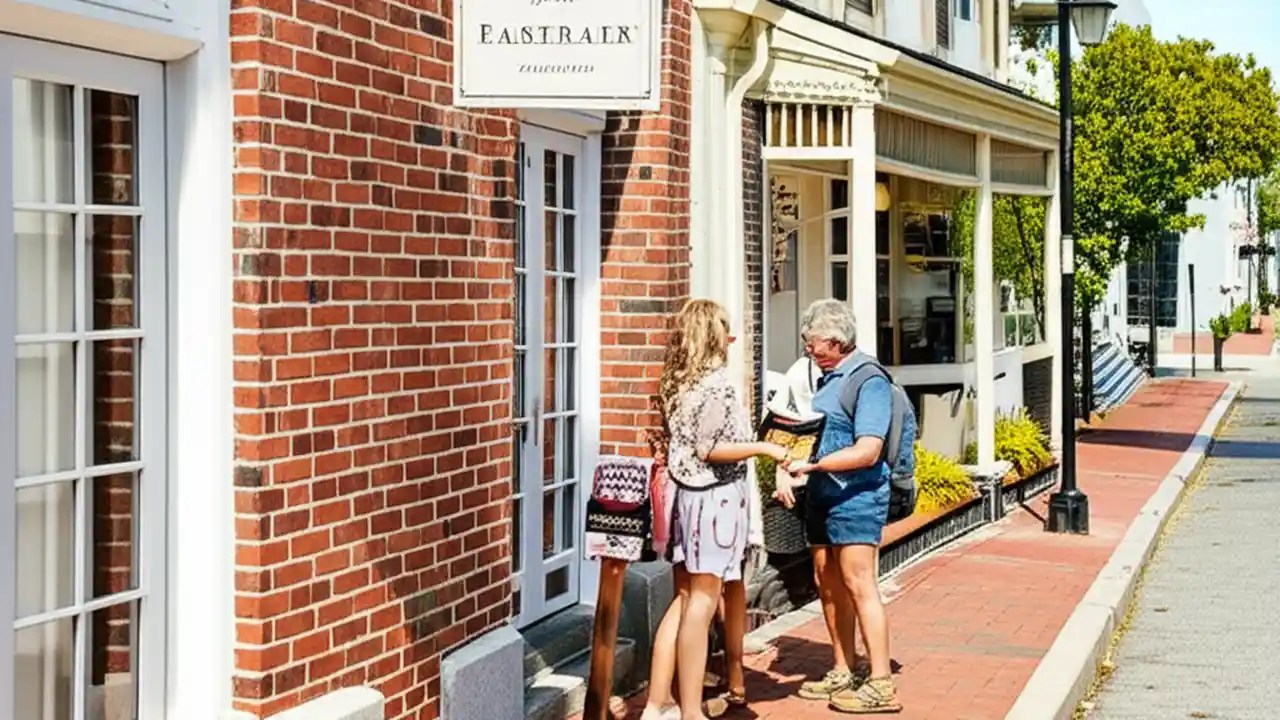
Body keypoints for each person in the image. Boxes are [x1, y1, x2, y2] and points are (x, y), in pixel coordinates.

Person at [640, 299, 791, 720]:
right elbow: (711, 450)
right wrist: (765, 448)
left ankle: (656, 702)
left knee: (686, 599)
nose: (732, 337)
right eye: (725, 329)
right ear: (712, 336)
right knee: (703, 602)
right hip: (715, 501)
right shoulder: (716, 386)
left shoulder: (678, 383)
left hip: (688, 500)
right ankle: (690, 711)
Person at [774, 299, 901, 714]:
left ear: (834, 340)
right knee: (827, 582)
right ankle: (844, 666)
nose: (807, 349)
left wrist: (814, 465)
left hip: (857, 496)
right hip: (822, 495)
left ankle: (881, 682)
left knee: (859, 583)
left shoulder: (869, 380)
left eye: (811, 342)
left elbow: (868, 450)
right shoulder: (827, 377)